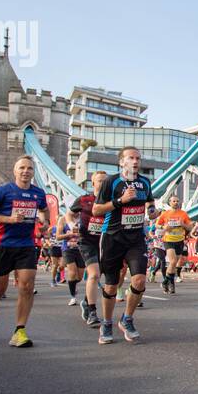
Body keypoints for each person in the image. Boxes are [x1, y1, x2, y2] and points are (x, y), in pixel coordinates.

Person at [0, 156, 49, 347]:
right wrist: (9, 219)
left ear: (33, 172)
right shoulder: (3, 190)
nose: (26, 171)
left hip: (26, 244)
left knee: (26, 286)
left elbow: (44, 211)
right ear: (15, 171)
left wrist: (44, 222)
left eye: (29, 169)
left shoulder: (38, 193)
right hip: (2, 245)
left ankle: (20, 330)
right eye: (22, 168)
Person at [93, 147, 153, 345]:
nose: (135, 161)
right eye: (130, 158)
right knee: (111, 285)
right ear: (122, 162)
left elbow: (150, 202)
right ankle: (107, 323)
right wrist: (120, 201)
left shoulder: (145, 182)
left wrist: (152, 211)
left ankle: (127, 319)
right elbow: (97, 210)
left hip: (135, 238)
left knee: (139, 281)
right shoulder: (112, 182)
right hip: (112, 237)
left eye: (138, 158)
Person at [69, 171, 107, 328]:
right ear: (93, 183)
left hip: (105, 243)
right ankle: (92, 312)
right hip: (87, 242)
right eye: (100, 181)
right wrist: (73, 225)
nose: (103, 184)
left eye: (106, 181)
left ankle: (86, 301)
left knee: (100, 275)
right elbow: (69, 215)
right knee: (94, 274)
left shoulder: (112, 202)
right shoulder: (84, 200)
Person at [155, 195, 192, 295]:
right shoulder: (165, 213)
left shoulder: (183, 214)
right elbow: (157, 225)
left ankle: (167, 282)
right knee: (173, 261)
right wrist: (164, 227)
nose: (176, 202)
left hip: (179, 240)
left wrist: (183, 224)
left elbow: (190, 227)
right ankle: (169, 282)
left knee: (174, 264)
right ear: (170, 203)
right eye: (174, 201)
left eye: (177, 201)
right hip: (168, 240)